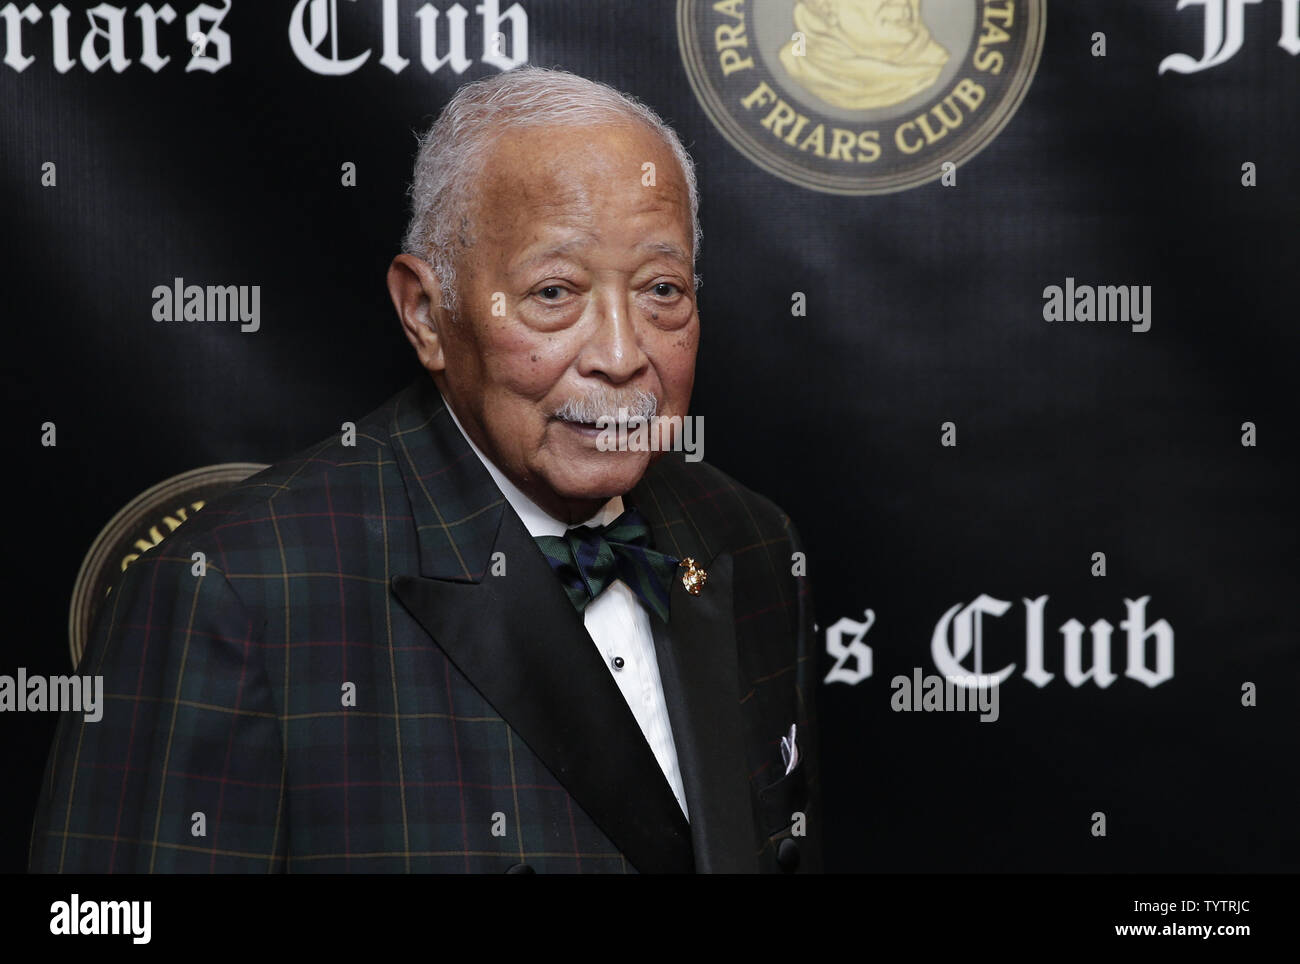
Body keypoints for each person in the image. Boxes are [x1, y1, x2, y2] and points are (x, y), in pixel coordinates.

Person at [28, 65, 822, 874]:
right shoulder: (236, 591)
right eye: (554, 292)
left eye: (662, 289)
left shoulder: (750, 541)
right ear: (426, 313)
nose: (621, 356)